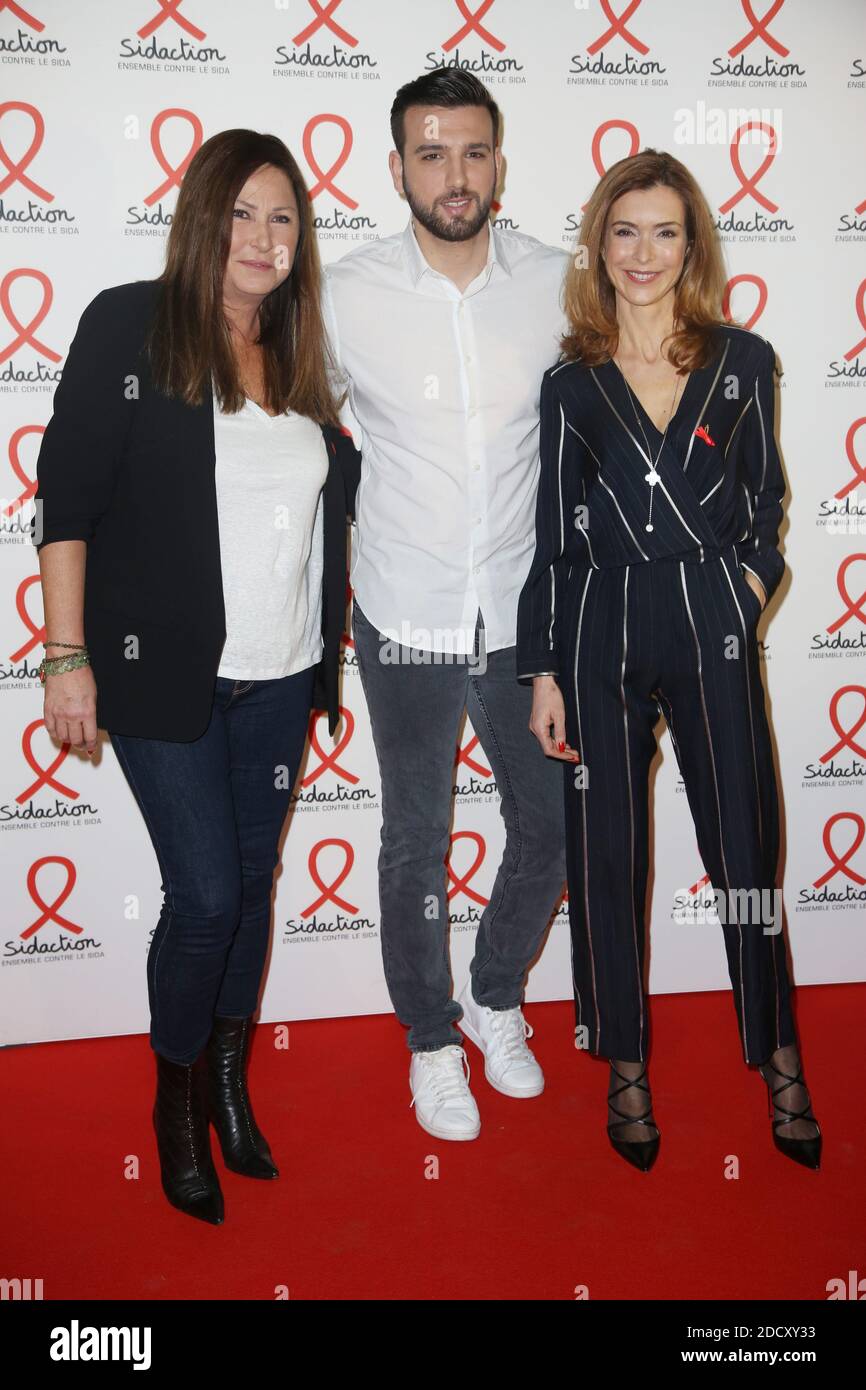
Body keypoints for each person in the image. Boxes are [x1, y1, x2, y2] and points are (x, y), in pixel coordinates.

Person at [33, 129, 360, 1224]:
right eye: (242, 214)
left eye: (283, 217)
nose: (264, 238)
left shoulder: (301, 346)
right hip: (161, 676)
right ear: (201, 218)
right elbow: (67, 503)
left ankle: (228, 1079)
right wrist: (66, 656)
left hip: (279, 674)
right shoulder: (130, 322)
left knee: (255, 885)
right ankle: (175, 1099)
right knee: (207, 894)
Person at [516, 148, 821, 1172]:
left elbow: (767, 503)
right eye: (623, 230)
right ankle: (623, 1061)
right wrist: (545, 668)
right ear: (597, 243)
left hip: (708, 618)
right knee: (604, 853)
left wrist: (742, 587)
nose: (642, 253)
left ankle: (777, 1051)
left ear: (689, 245)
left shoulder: (741, 361)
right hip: (599, 622)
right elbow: (553, 540)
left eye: (663, 231)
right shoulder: (569, 384)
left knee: (743, 848)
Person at [322, 70, 570, 1142]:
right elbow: (290, 429)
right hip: (404, 602)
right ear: (396, 170)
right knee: (413, 836)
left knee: (551, 826)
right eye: (430, 154)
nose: (453, 175)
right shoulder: (341, 295)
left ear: (497, 162)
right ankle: (429, 1039)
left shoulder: (559, 285)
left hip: (523, 612)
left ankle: (494, 998)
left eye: (471, 152)